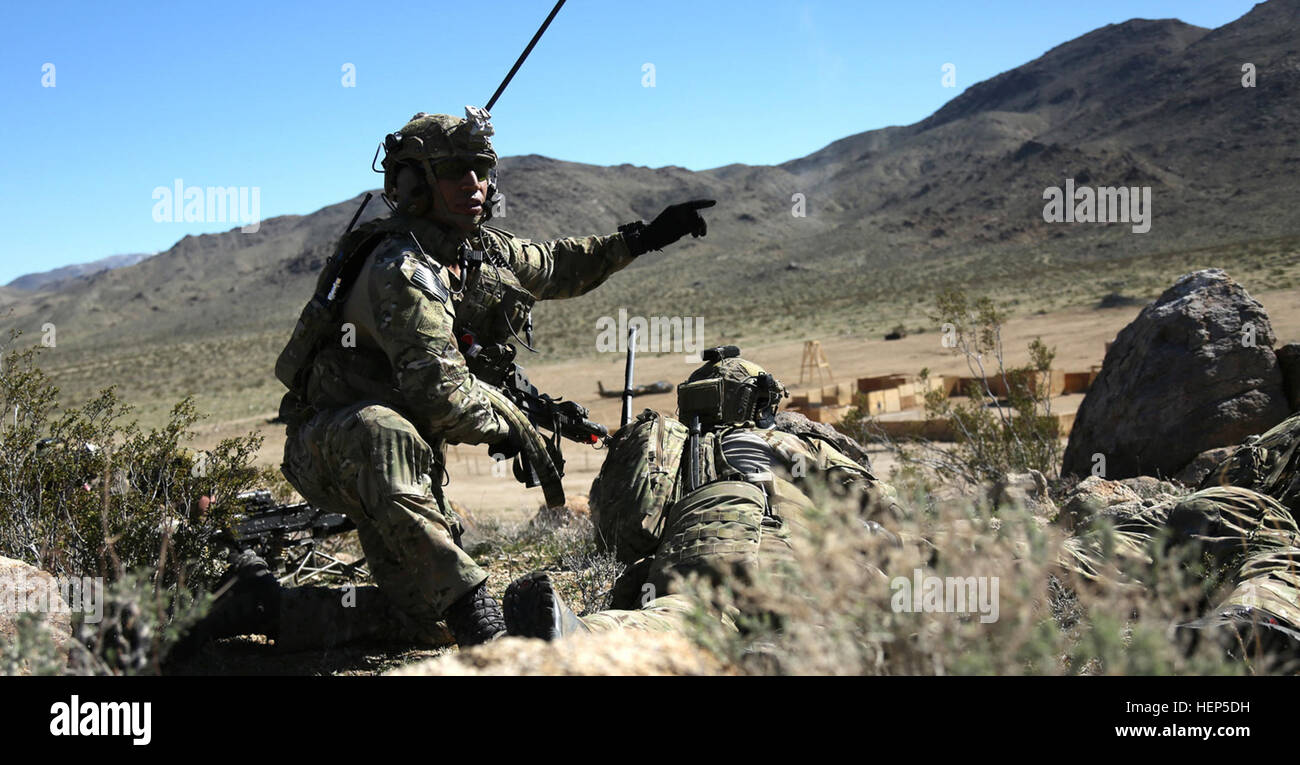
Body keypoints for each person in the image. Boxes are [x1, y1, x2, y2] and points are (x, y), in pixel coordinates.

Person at [197, 106, 715, 651]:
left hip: (403, 466)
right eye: (453, 171)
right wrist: (520, 428)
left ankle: (259, 604)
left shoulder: (478, 251)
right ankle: (484, 628)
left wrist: (648, 236)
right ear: (412, 183)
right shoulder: (400, 269)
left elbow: (561, 265)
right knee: (385, 435)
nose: (474, 183)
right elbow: (441, 396)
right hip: (336, 446)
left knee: (425, 620)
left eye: (481, 168)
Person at [501, 349, 903, 640]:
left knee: (676, 617)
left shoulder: (665, 448)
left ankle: (584, 633)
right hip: (786, 554)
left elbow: (616, 528)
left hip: (683, 558)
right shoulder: (779, 441)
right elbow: (878, 503)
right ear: (754, 399)